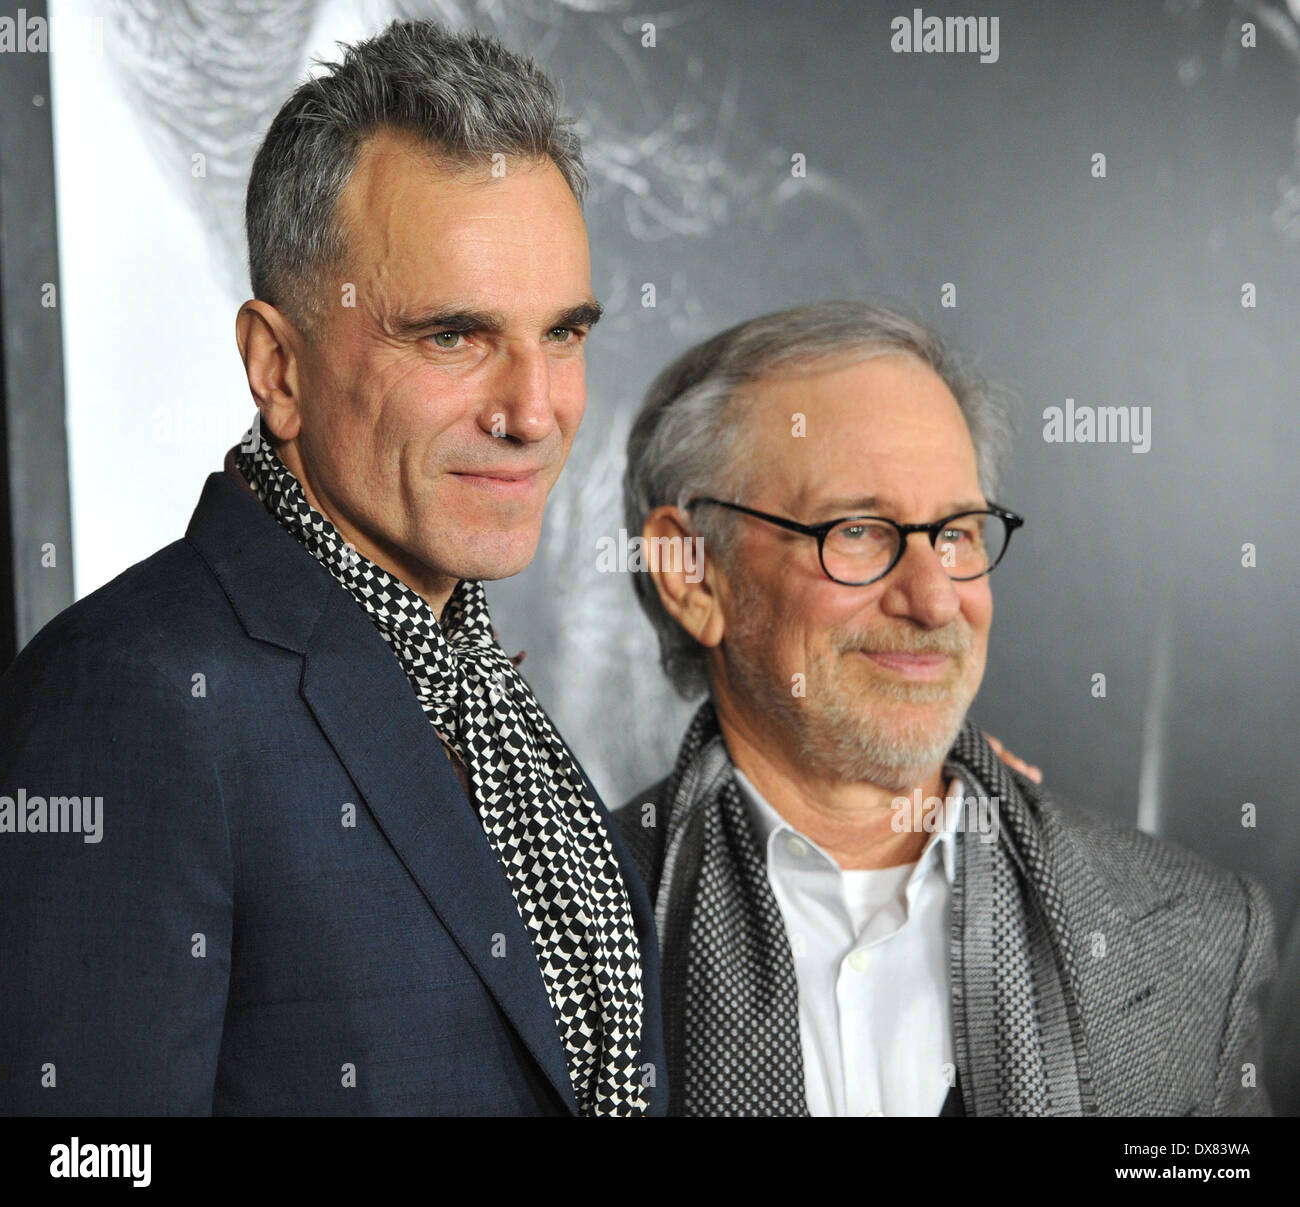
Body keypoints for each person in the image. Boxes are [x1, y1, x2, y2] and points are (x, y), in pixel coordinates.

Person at [0, 19, 662, 1117]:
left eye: (562, 333)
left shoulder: (474, 683)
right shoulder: (131, 698)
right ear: (278, 365)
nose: (533, 411)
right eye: (452, 336)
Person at [614, 300, 1275, 1117]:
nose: (934, 599)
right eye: (857, 530)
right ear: (693, 572)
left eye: (958, 533)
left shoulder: (1193, 938)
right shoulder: (541, 935)